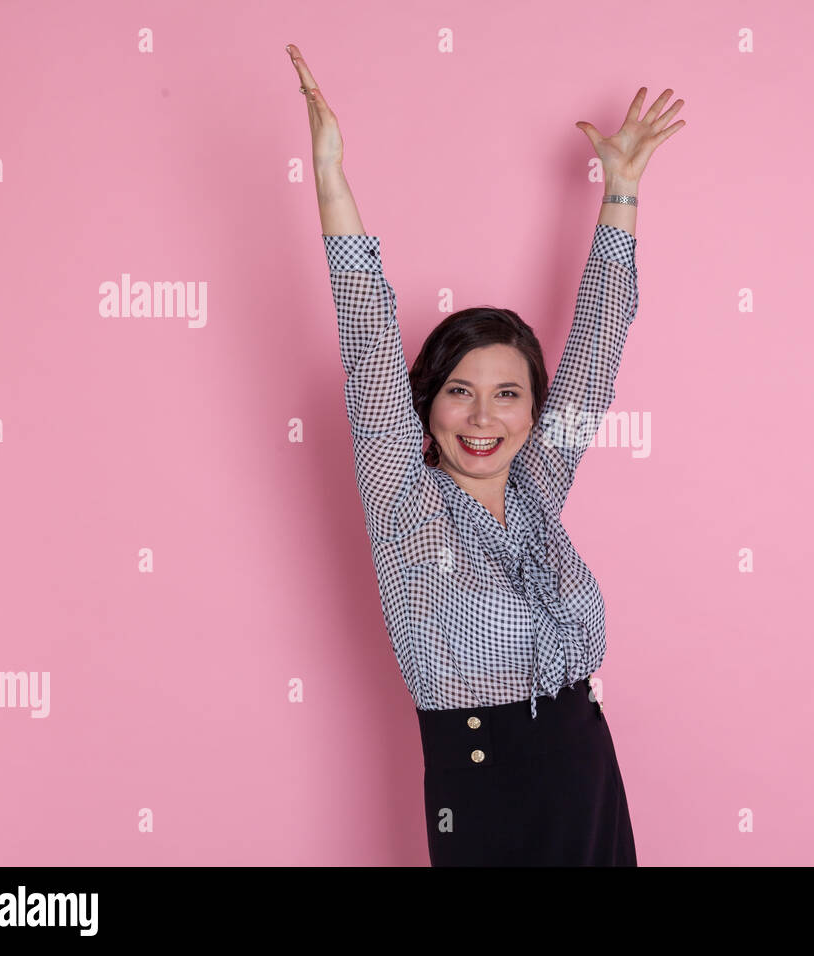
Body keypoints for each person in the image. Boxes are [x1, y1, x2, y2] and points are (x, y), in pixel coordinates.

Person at [287, 43, 685, 866]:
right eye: (460, 390)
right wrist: (329, 175)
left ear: (534, 412)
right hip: (486, 785)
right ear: (425, 402)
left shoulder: (540, 486)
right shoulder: (405, 498)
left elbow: (598, 351)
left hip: (587, 769)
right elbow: (366, 344)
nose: (483, 416)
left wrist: (622, 194)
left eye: (509, 394)